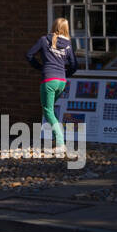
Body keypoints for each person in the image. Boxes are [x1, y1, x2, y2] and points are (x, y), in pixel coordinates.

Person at [26, 18, 76, 150]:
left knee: (47, 110)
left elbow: (29, 55)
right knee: (51, 110)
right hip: (61, 82)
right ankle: (57, 138)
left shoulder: (44, 40)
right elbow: (74, 65)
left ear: (53, 26)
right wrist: (65, 74)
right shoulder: (69, 45)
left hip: (48, 80)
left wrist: (41, 68)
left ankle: (60, 142)